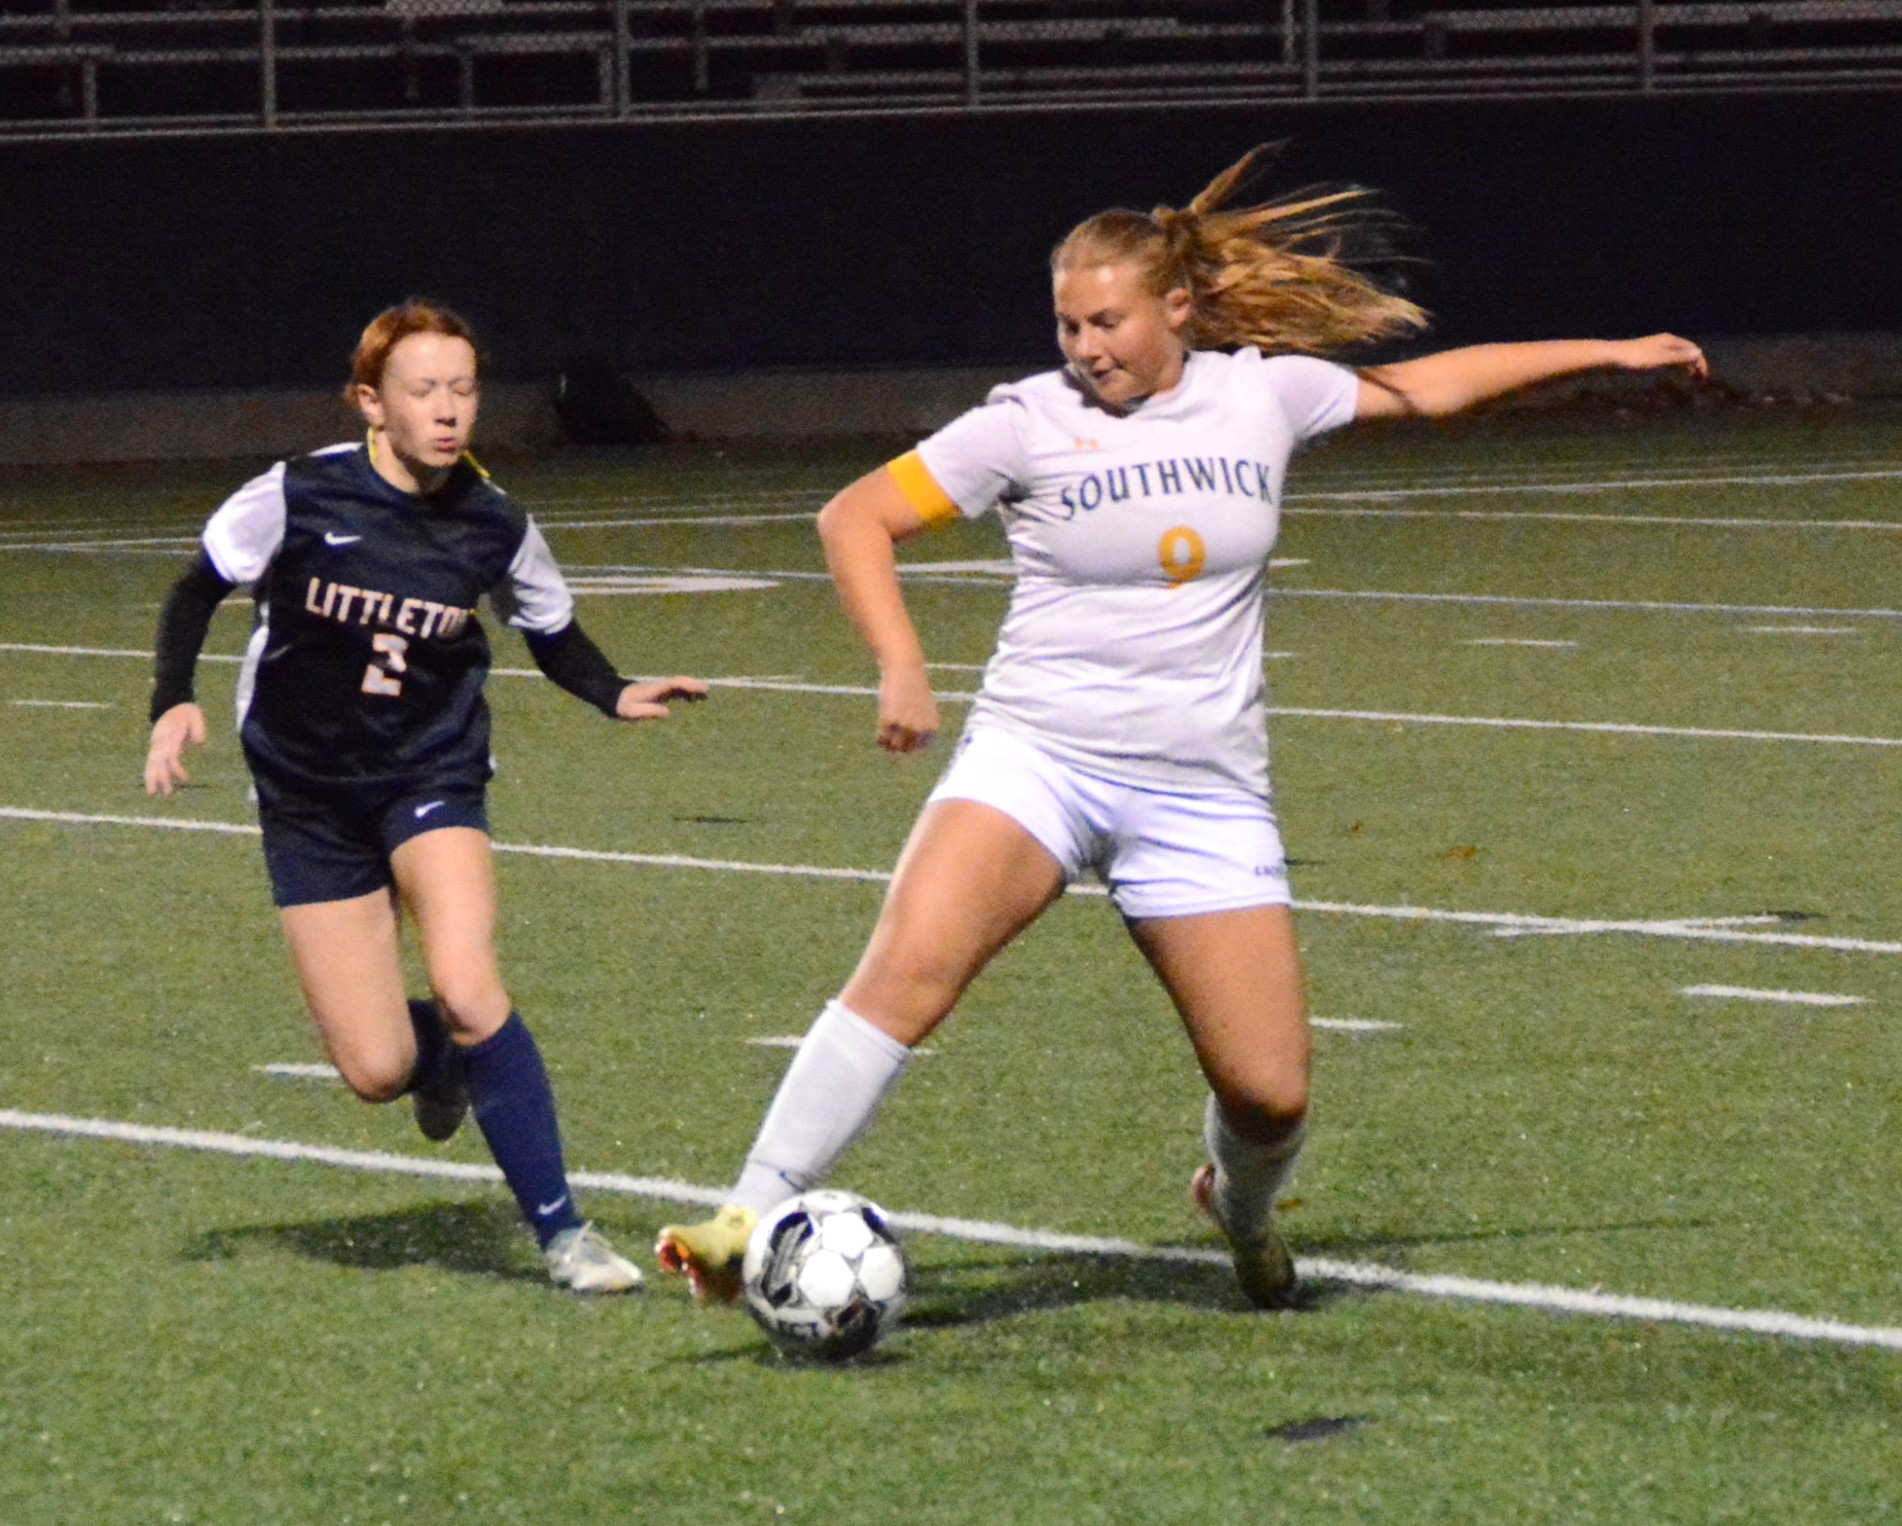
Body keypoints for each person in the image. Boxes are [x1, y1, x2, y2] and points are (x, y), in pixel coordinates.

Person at [656, 149, 1707, 1309]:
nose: (1084, 347)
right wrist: (903, 664)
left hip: (1201, 792)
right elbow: (853, 516)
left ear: (1176, 307)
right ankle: (744, 1212)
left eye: (1105, 321)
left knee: (1271, 1095)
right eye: (1066, 325)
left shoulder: (1265, 393)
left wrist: (1609, 351)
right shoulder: (1024, 423)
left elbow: (1433, 385)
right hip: (1038, 757)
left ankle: (1240, 1210)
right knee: (907, 971)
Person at [144, 299, 707, 1294]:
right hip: (308, 793)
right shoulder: (300, 493)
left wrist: (613, 689)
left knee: (470, 981)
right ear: (372, 401)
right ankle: (437, 1057)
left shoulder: (494, 520)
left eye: (463, 389)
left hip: (430, 772)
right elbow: (199, 588)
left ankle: (564, 1232)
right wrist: (172, 701)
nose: (448, 411)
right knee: (373, 1069)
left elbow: (551, 628)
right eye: (423, 391)